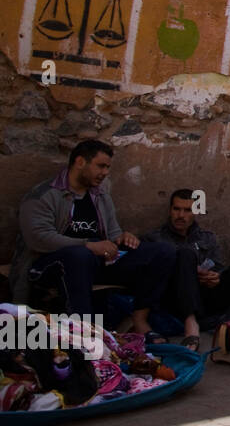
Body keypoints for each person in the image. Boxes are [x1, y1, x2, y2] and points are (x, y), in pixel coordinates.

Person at [12, 139, 192, 344]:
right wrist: (88, 245)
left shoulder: (100, 195)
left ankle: (140, 321)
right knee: (79, 256)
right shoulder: (44, 195)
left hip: (98, 261)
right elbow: (39, 239)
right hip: (51, 265)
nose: (105, 172)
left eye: (108, 167)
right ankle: (83, 333)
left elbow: (112, 232)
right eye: (101, 166)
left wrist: (123, 237)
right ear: (80, 162)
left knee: (163, 252)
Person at [142, 189, 230, 331]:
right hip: (179, 302)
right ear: (170, 210)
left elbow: (218, 268)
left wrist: (215, 277)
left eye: (187, 210)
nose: (181, 215)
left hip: (208, 298)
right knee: (185, 254)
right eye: (176, 209)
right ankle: (191, 324)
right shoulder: (155, 239)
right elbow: (151, 279)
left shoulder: (207, 237)